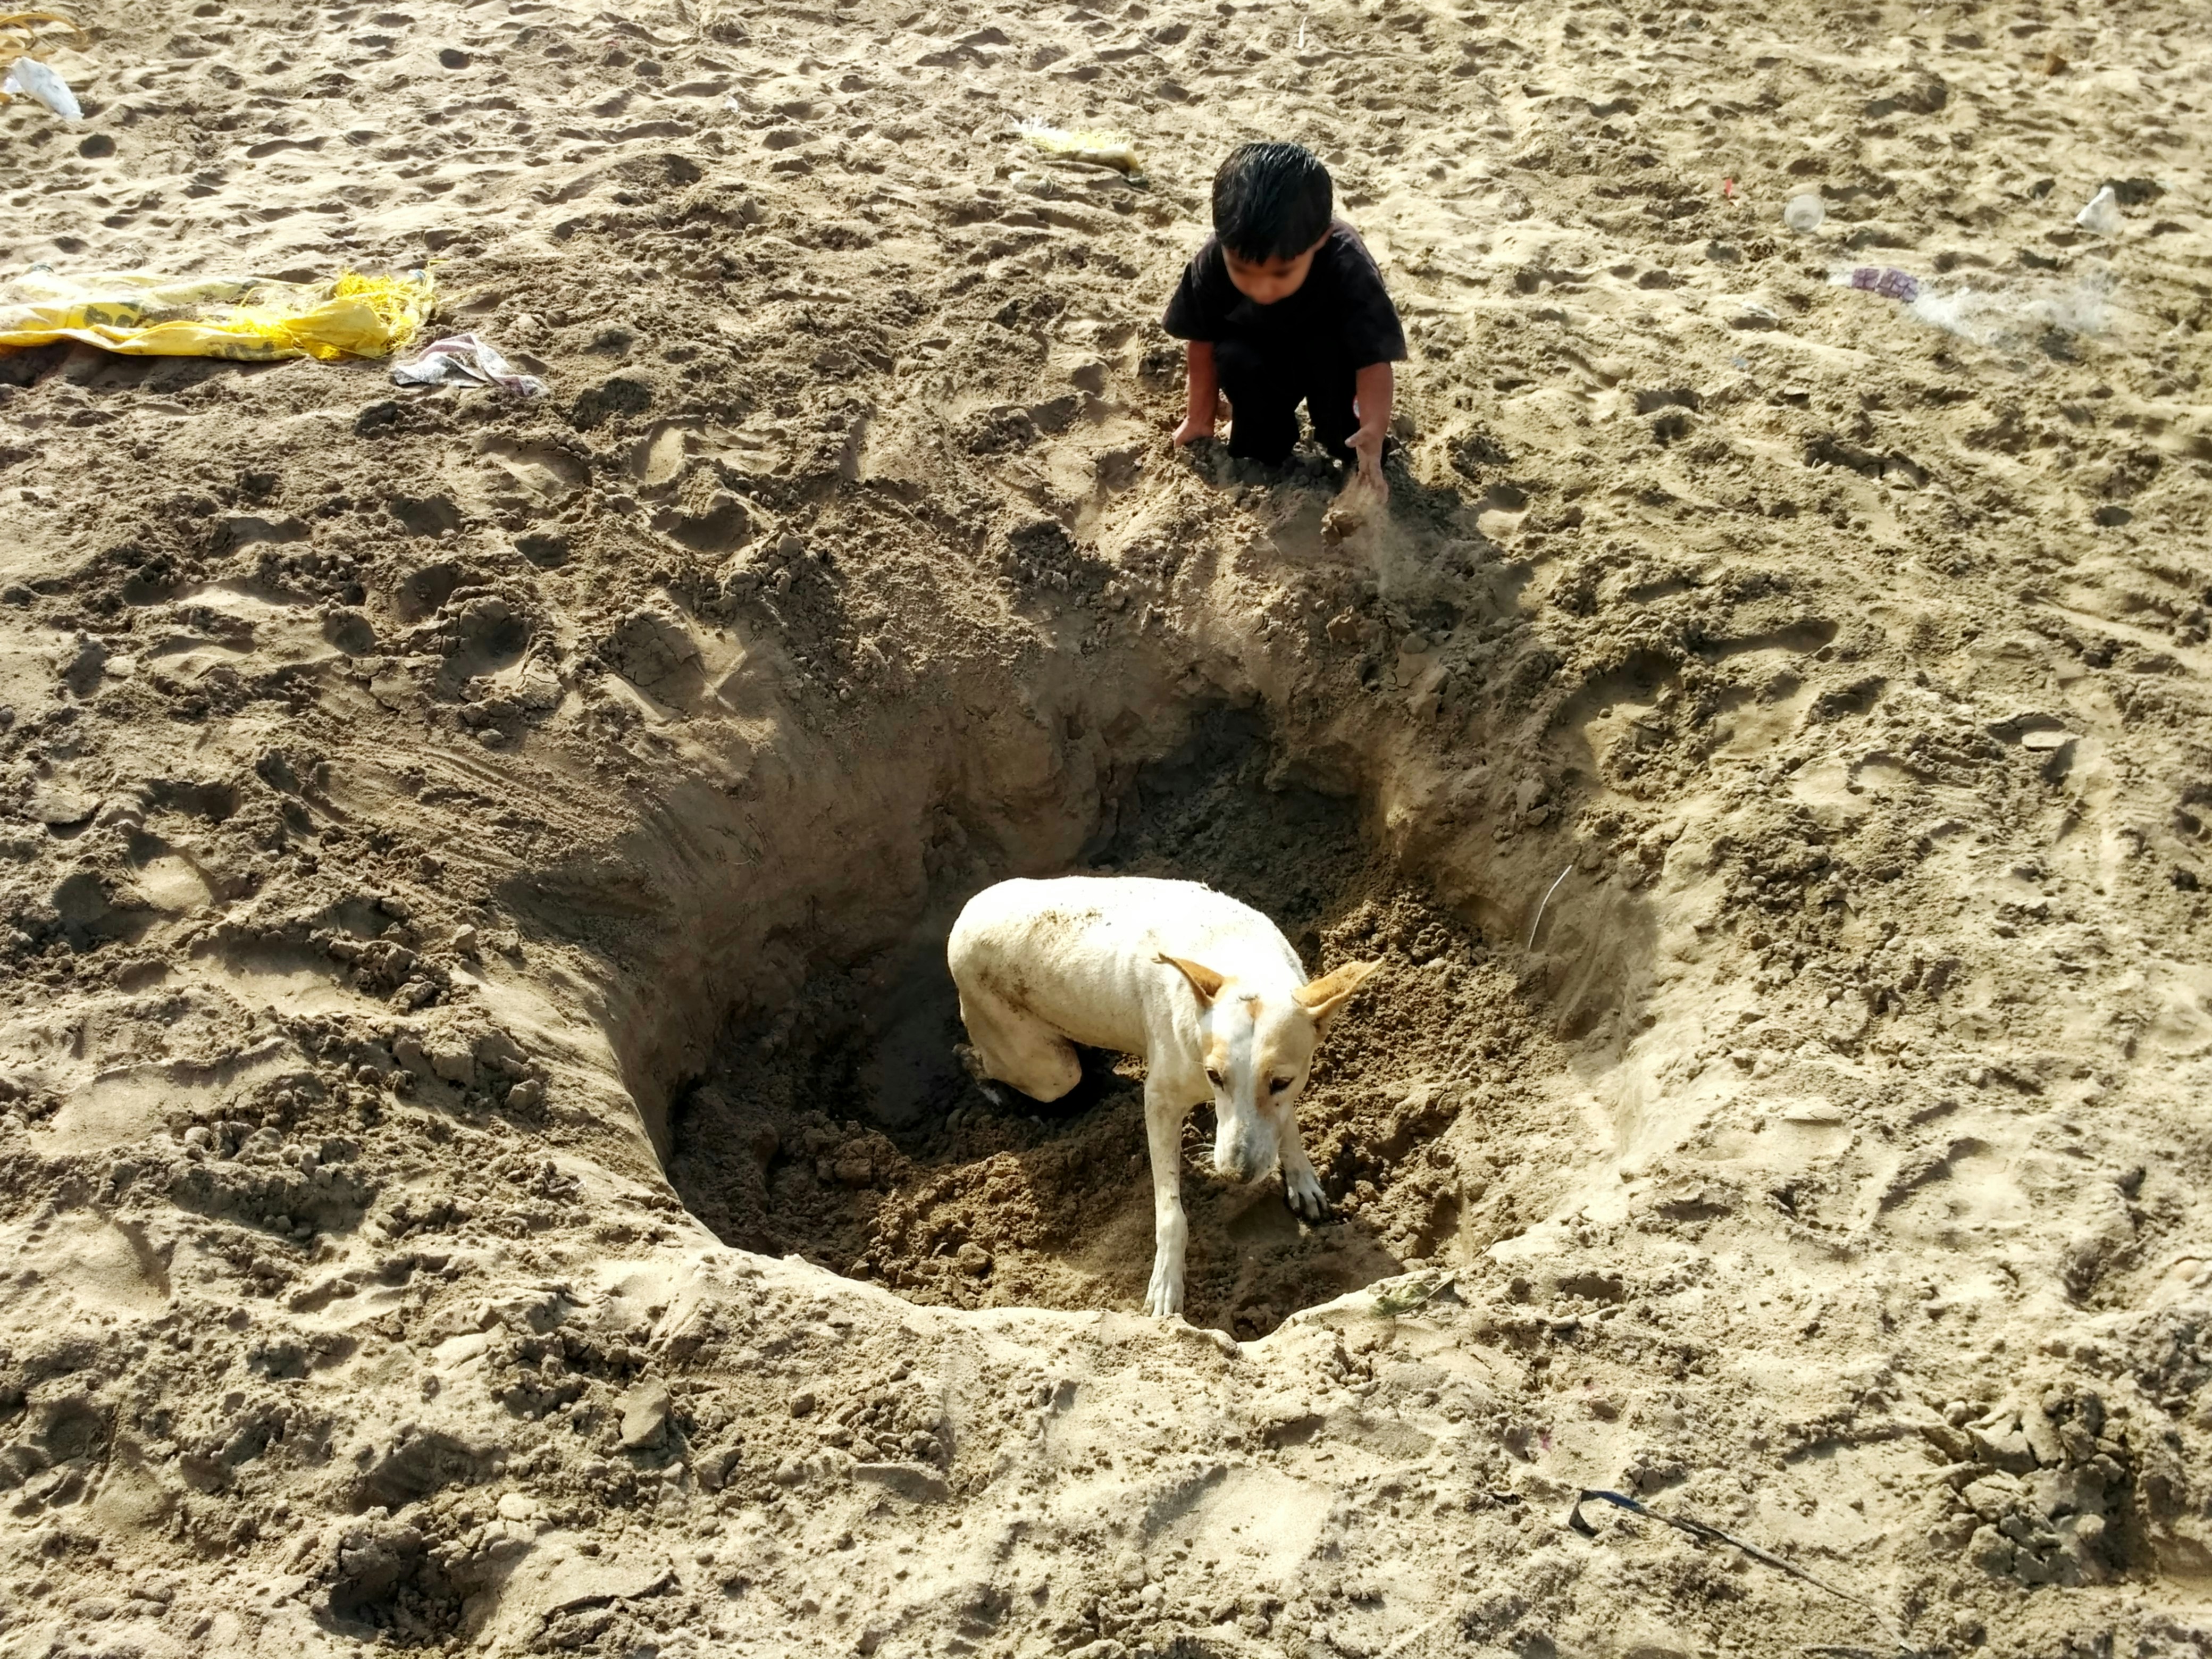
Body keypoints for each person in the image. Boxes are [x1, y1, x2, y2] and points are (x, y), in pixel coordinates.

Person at [1163, 141, 1406, 499]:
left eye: (1281, 273)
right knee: (1237, 367)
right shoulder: (1213, 261)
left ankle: (1357, 449)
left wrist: (1374, 425)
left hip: (1333, 355)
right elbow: (1201, 338)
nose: (1261, 288)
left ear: (1320, 240)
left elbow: (1372, 360)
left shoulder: (1348, 266)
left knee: (1350, 435)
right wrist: (1199, 417)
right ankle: (1268, 445)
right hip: (1260, 351)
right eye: (1243, 271)